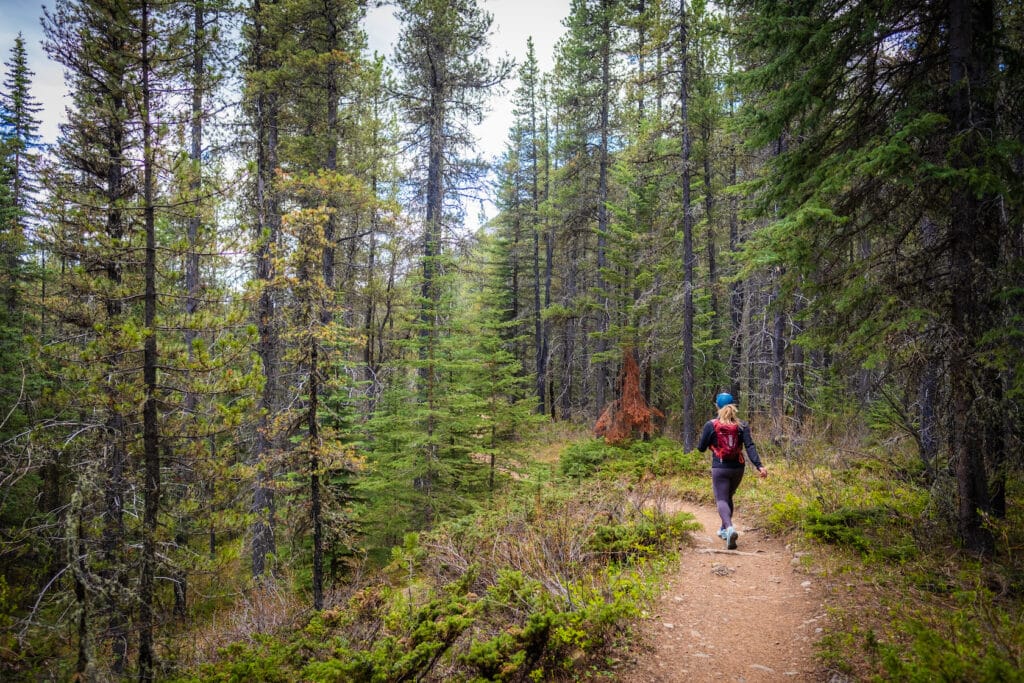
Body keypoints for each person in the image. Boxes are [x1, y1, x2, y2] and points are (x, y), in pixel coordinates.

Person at [696, 392, 767, 549]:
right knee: (728, 497)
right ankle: (723, 529)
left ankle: (729, 528)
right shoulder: (742, 426)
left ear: (717, 406)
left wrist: (710, 444)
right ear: (734, 405)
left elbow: (701, 448)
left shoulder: (711, 425)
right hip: (738, 468)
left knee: (721, 499)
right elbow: (749, 446)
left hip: (720, 467)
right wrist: (759, 465)